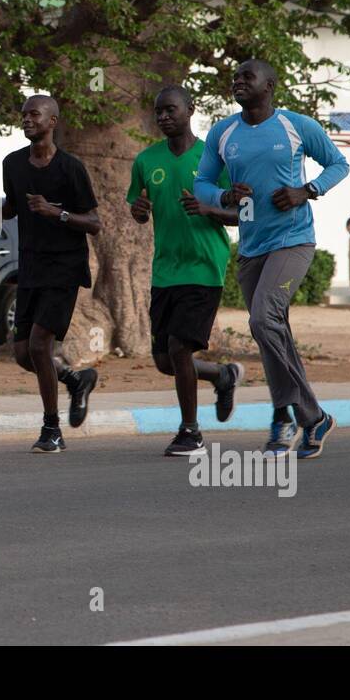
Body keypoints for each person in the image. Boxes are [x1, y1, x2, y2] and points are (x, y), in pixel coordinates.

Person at [193, 59, 350, 460]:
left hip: (292, 240)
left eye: (247, 76)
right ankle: (289, 417)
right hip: (251, 247)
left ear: (270, 85)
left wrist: (307, 190)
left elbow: (339, 164)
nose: (238, 80)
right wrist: (224, 197)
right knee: (270, 330)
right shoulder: (223, 132)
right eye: (236, 76)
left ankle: (305, 415)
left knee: (263, 318)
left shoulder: (297, 125)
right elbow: (203, 184)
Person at [127, 85, 243, 457]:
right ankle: (222, 376)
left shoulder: (214, 159)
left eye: (170, 109)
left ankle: (190, 432)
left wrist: (210, 210)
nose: (163, 117)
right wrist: (140, 211)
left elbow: (242, 213)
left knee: (180, 347)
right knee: (165, 361)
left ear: (190, 109)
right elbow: (137, 208)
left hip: (204, 267)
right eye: (158, 111)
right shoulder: (146, 160)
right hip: (165, 270)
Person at [0, 95, 100, 454]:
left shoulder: (71, 168)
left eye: (34, 114)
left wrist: (54, 213)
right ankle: (76, 380)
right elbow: (11, 205)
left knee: (42, 345)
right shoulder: (12, 163)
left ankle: (51, 429)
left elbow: (94, 223)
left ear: (53, 121)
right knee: (24, 353)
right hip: (30, 267)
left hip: (64, 267)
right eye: (23, 114)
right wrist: (4, 210)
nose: (27, 119)